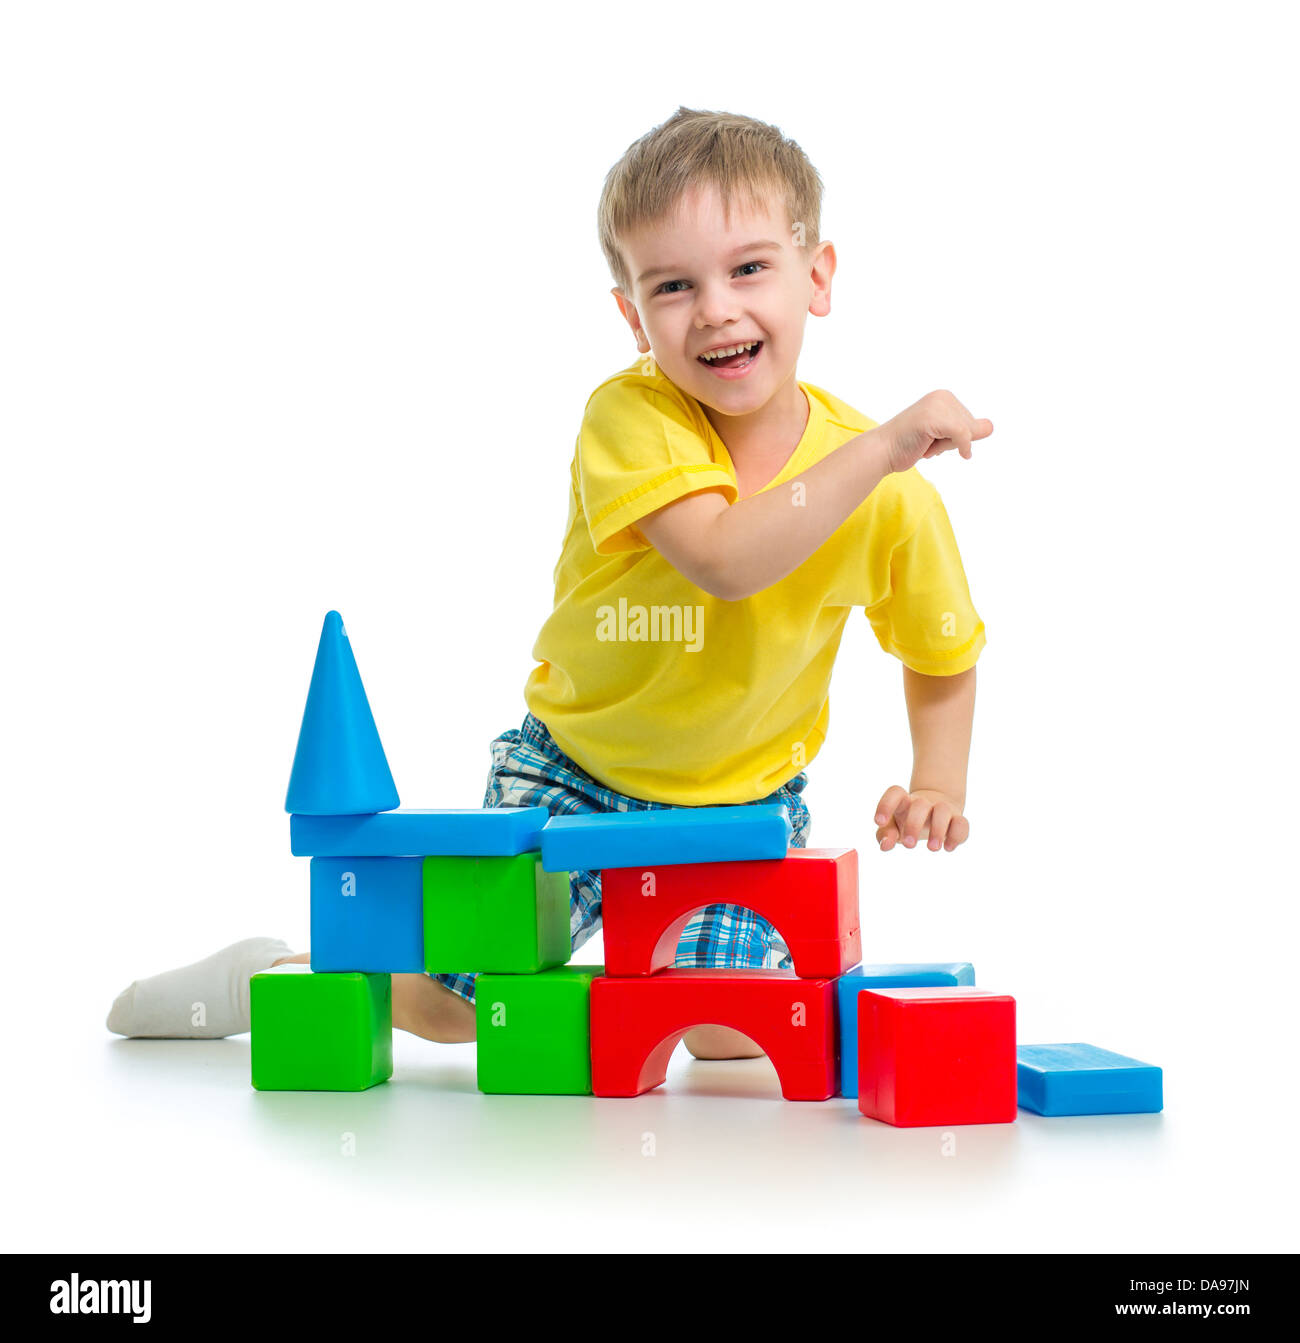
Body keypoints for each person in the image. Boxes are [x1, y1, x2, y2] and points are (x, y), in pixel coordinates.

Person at [107, 106, 992, 1061]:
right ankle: (275, 972)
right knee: (458, 1012)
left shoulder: (891, 503)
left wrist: (938, 777)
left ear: (816, 277)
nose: (716, 309)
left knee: (727, 1034)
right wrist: (888, 446)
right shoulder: (634, 420)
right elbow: (727, 557)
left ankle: (629, 996)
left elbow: (939, 648)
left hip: (738, 807)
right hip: (571, 773)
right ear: (631, 314)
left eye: (748, 268)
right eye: (673, 284)